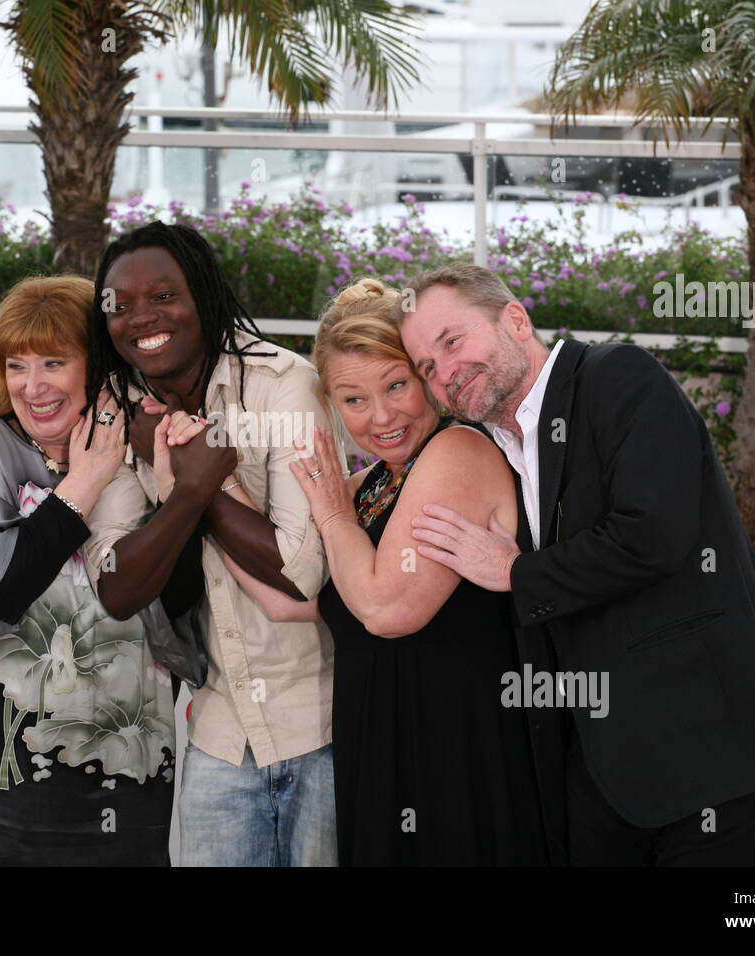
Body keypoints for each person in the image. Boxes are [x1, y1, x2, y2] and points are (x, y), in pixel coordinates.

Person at [400, 262, 755, 866]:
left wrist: (515, 572)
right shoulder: (495, 450)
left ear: (515, 320)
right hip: (599, 776)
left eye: (453, 341)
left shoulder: (616, 377)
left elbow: (652, 534)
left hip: (709, 751)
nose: (445, 374)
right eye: (427, 369)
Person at [215, 278, 549, 865]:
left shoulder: (458, 452)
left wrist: (329, 511)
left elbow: (386, 609)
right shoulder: (373, 485)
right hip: (383, 753)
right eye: (354, 399)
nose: (382, 416)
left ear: (427, 377)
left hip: (455, 758)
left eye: (397, 385)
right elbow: (288, 596)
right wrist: (210, 485)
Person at [0, 275, 188, 866]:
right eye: (16, 365)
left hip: (113, 760)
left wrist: (172, 488)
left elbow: (175, 598)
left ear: (97, 367)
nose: (32, 386)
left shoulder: (149, 448)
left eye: (54, 361)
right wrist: (84, 483)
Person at [80, 221, 337, 867]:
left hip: (324, 724)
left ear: (204, 295)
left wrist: (197, 479)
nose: (142, 317)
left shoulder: (283, 385)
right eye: (120, 304)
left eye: (164, 295)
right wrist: (189, 491)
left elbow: (300, 572)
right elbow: (116, 586)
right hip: (221, 731)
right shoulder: (120, 409)